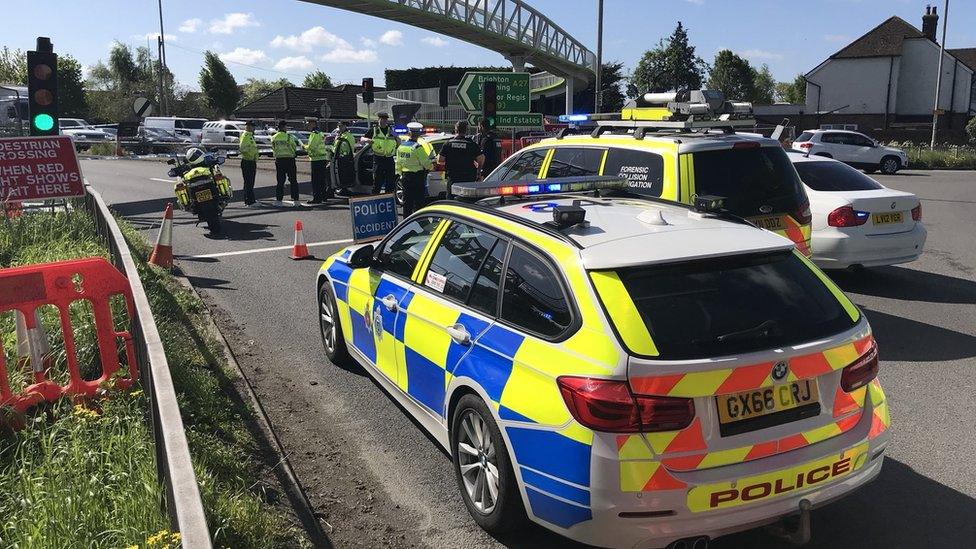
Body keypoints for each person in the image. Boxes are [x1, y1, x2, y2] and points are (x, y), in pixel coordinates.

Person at [437, 120, 484, 197]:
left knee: (452, 202)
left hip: (453, 178)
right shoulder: (471, 144)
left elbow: (440, 160)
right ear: (466, 130)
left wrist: (451, 161)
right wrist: (478, 171)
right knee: (467, 200)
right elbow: (481, 158)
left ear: (456, 130)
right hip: (468, 178)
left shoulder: (448, 144)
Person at [396, 122, 433, 217]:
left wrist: (400, 174)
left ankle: (405, 222)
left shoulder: (401, 147)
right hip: (417, 178)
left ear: (409, 133)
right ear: (418, 135)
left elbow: (398, 163)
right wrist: (431, 166)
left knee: (407, 203)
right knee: (418, 203)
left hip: (405, 177)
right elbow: (427, 163)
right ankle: (419, 224)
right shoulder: (417, 148)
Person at [365, 112, 399, 194]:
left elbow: (399, 142)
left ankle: (389, 199)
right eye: (382, 119)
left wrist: (396, 139)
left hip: (389, 159)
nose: (383, 121)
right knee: (377, 182)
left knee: (390, 183)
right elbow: (363, 138)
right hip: (378, 158)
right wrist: (367, 140)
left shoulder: (391, 131)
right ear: (378, 120)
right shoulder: (374, 130)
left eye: (385, 119)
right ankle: (376, 200)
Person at [304, 118, 332, 204]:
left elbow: (312, 146)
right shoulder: (320, 133)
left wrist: (304, 147)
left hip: (316, 159)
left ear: (313, 124)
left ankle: (317, 198)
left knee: (315, 180)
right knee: (322, 179)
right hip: (322, 158)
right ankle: (324, 196)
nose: (307, 125)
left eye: (309, 123)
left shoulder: (314, 134)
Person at [239, 121, 259, 207]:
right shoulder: (246, 136)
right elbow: (242, 148)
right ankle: (250, 201)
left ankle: (249, 200)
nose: (254, 128)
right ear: (249, 127)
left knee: (249, 182)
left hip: (251, 161)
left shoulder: (250, 136)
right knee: (249, 182)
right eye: (253, 126)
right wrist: (249, 154)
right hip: (247, 161)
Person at [333, 120, 356, 196]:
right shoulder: (340, 135)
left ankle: (337, 189)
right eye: (339, 126)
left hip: (344, 158)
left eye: (341, 126)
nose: (339, 128)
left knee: (339, 174)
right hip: (341, 157)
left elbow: (344, 148)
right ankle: (342, 188)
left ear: (345, 126)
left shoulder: (346, 136)